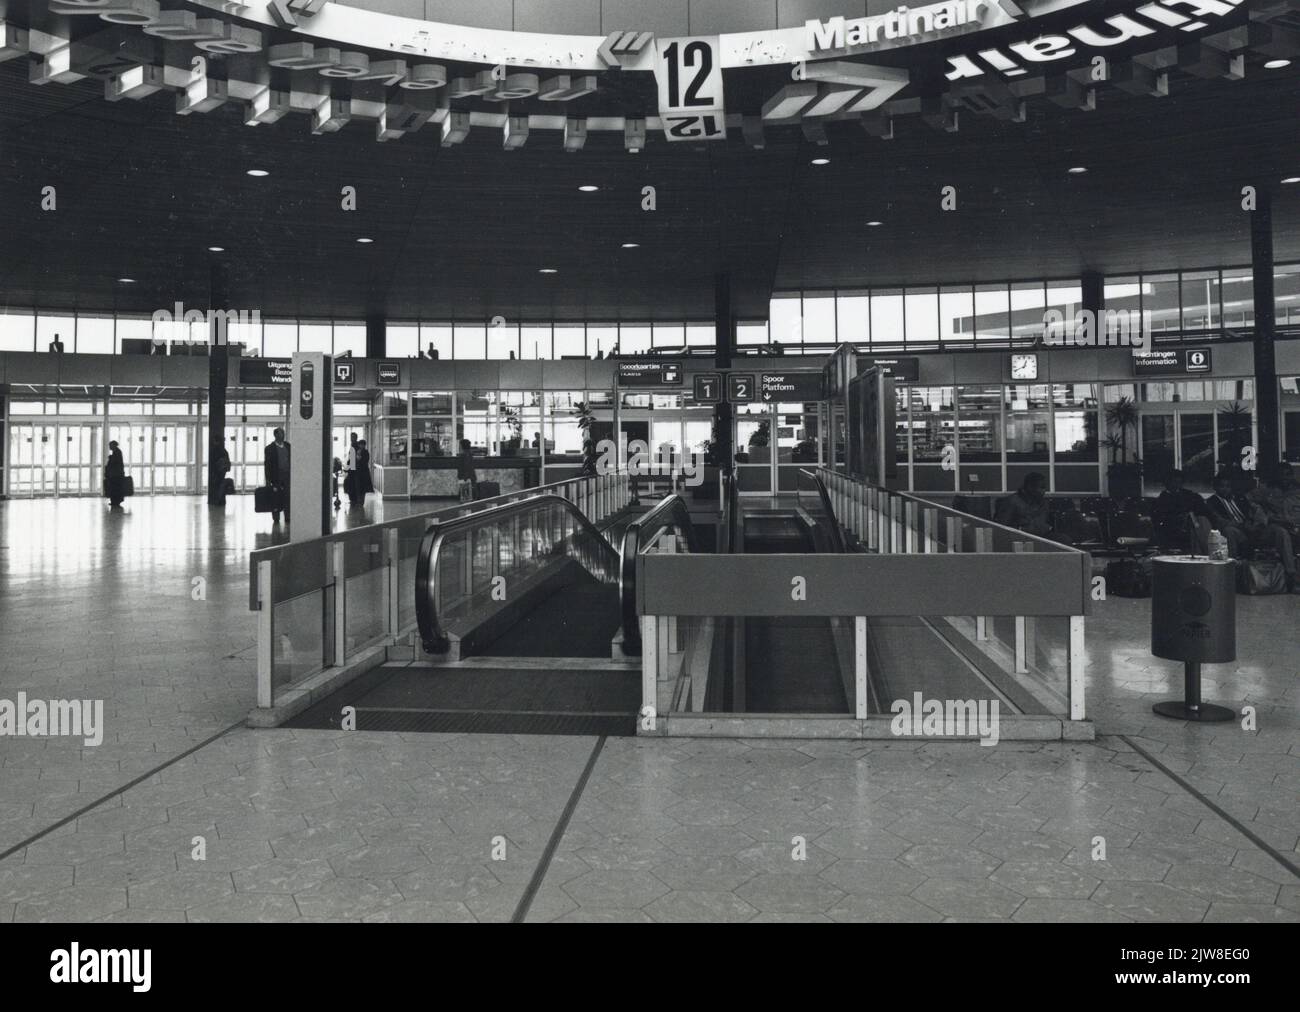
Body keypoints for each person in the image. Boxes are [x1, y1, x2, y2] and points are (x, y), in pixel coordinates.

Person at [1206, 474, 1296, 590]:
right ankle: (1232, 574)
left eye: (1228, 486)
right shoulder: (1212, 502)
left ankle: (1291, 574)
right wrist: (1245, 526)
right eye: (1222, 486)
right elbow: (1220, 521)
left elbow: (1255, 512)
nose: (1225, 489)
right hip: (1238, 532)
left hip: (1254, 530)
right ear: (1215, 487)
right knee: (1230, 531)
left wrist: (1257, 523)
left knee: (1279, 531)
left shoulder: (1240, 498)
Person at [1151, 469, 1211, 553]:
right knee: (1198, 523)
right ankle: (1206, 551)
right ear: (1167, 483)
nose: (1176, 485)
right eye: (1173, 482)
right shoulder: (1162, 499)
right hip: (1176, 527)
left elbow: (1202, 508)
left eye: (1178, 482)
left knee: (1202, 519)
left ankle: (1204, 551)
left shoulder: (1189, 495)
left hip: (1194, 523)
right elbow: (1163, 518)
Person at [995, 472, 1051, 537]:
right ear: (1030, 487)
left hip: (1043, 539)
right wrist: (1022, 529)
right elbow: (1000, 528)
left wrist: (1047, 527)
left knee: (1062, 539)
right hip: (1019, 539)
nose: (1044, 491)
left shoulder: (1044, 503)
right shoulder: (1012, 501)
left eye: (1044, 488)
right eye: (1041, 487)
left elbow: (1046, 523)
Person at [264, 427, 291, 525]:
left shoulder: (288, 446)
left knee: (287, 496)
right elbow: (267, 465)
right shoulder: (269, 449)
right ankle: (276, 517)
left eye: (283, 433)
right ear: (275, 435)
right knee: (275, 496)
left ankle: (288, 516)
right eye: (281, 433)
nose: (283, 435)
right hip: (276, 476)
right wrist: (267, 479)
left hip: (287, 475)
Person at [352, 438, 375, 508]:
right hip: (359, 472)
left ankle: (361, 502)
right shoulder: (358, 451)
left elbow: (364, 461)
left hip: (363, 472)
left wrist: (359, 458)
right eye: (359, 445)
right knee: (358, 486)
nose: (360, 446)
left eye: (361, 445)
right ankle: (359, 501)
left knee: (363, 487)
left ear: (364, 445)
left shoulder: (366, 452)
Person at [104, 440, 126, 508]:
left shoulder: (117, 452)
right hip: (117, 474)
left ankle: (115, 501)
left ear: (113, 445)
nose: (109, 447)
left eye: (110, 445)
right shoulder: (117, 451)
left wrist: (110, 458)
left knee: (115, 488)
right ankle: (115, 501)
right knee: (116, 488)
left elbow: (114, 463)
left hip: (116, 474)